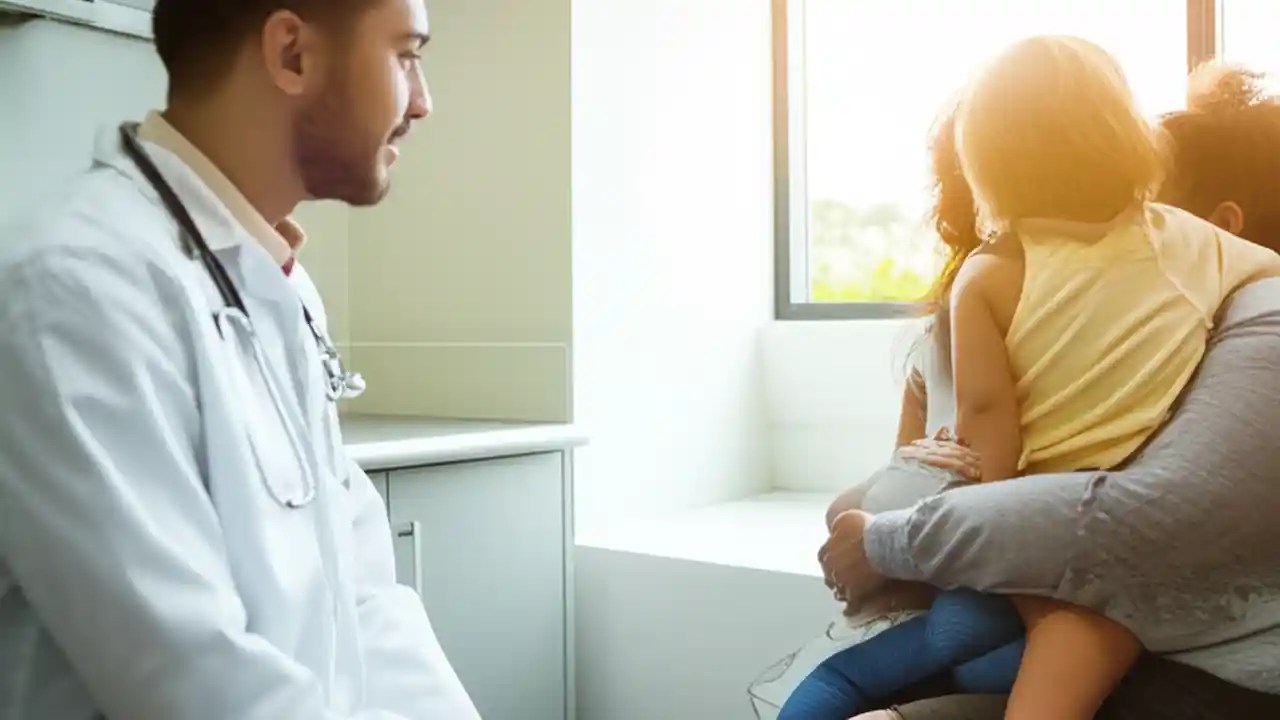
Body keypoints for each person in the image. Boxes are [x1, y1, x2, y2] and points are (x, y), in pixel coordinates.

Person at [0, 1, 480, 718]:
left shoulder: (271, 279)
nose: (422, 101)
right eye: (406, 54)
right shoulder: (75, 288)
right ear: (292, 53)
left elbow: (366, 601)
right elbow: (194, 680)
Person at [790, 37, 1280, 720]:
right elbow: (1265, 264)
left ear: (986, 167)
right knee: (1061, 665)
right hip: (1111, 556)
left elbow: (989, 430)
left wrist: (967, 506)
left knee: (836, 683)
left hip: (1036, 531)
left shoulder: (986, 280)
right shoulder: (1186, 242)